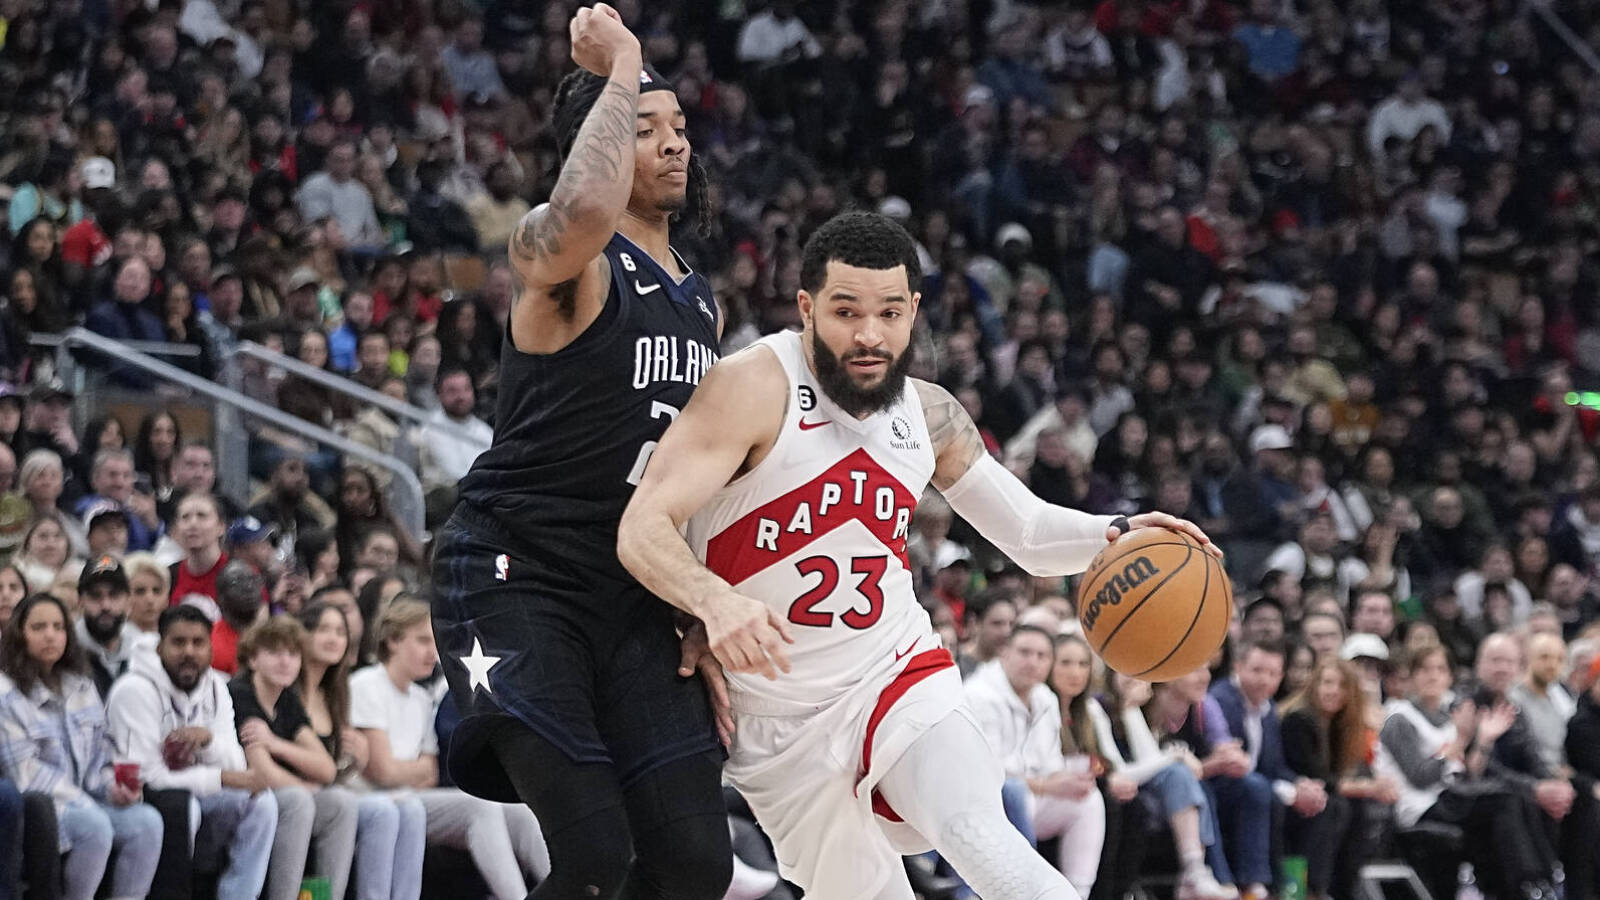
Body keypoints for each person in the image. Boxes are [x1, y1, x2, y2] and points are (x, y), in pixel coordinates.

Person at [616, 209, 1220, 896]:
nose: (869, 335)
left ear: (914, 312)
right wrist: (712, 602)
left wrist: (1115, 532)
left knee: (982, 838)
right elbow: (642, 527)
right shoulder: (754, 386)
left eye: (890, 313)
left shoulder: (928, 414)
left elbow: (1025, 533)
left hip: (895, 670)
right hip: (778, 724)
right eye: (846, 312)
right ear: (807, 307)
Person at [429, 7, 735, 897]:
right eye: (644, 129)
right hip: (518, 572)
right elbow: (584, 210)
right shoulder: (562, 255)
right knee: (595, 858)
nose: (675, 145)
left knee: (694, 866)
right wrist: (624, 63)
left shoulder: (699, 301)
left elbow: (691, 476)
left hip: (632, 588)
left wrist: (694, 604)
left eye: (679, 128)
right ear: (595, 146)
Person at [350, 600, 548, 900]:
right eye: (422, 640)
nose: (433, 651)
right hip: (373, 798)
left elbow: (429, 773)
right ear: (392, 641)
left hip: (413, 797)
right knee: (479, 806)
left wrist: (404, 770)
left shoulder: (419, 697)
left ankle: (578, 890)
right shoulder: (366, 684)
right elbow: (382, 771)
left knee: (520, 811)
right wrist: (407, 770)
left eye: (435, 640)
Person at [0, 593, 163, 900]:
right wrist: (85, 802)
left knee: (147, 823)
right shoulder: (5, 692)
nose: (50, 634)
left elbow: (101, 754)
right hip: (45, 810)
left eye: (58, 627)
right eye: (39, 627)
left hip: (87, 801)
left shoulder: (81, 684)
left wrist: (112, 788)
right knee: (95, 827)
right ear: (20, 635)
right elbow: (24, 774)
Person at [1374, 643, 1560, 899]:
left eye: (1440, 669)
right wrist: (1460, 742)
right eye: (1425, 669)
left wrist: (1483, 740)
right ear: (1412, 676)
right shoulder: (1399, 719)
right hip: (1420, 806)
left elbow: (1470, 774)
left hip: (1452, 799)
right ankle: (1533, 882)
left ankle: (1520, 885)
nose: (1433, 675)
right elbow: (1420, 777)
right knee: (1503, 801)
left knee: (1516, 800)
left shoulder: (1451, 714)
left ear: (1449, 677)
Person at [297, 600, 425, 900]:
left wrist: (356, 761)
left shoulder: (335, 691)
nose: (333, 639)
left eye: (340, 632)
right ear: (303, 635)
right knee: (379, 809)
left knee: (408, 808)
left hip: (328, 790)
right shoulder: (290, 686)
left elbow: (334, 770)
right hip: (299, 790)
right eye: (324, 630)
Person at [965, 624, 1105, 894]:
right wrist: (1047, 785)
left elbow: (1049, 764)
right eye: (1025, 652)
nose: (1033, 662)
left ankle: (1077, 893)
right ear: (1005, 653)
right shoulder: (978, 694)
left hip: (1031, 796)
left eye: (1042, 656)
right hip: (986, 803)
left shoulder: (1045, 697)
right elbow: (987, 774)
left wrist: (1068, 779)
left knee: (1089, 798)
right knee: (1015, 793)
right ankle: (1025, 892)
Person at [230, 616, 360, 900]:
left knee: (341, 803)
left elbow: (326, 768)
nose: (285, 662)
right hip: (240, 797)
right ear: (252, 659)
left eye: (292, 654)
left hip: (280, 797)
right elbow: (262, 773)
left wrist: (275, 743)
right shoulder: (240, 694)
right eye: (275, 653)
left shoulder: (286, 698)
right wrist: (304, 787)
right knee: (299, 801)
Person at [1089, 670, 1237, 900]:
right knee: (1178, 774)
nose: (1132, 677)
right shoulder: (1097, 705)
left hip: (1144, 787)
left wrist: (1131, 710)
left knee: (1191, 782)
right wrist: (1176, 756)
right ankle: (1194, 872)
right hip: (1114, 786)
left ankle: (1196, 872)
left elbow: (1151, 763)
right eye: (1123, 668)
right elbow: (1120, 771)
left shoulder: (1141, 707)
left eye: (1138, 670)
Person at [1205, 640, 1328, 900]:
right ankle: (1255, 882)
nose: (1265, 680)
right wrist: (1287, 792)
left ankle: (1306, 888)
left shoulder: (1269, 708)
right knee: (1260, 791)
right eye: (1257, 670)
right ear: (1238, 667)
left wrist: (1300, 784)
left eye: (1273, 674)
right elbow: (1233, 766)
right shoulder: (1221, 699)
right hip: (1221, 787)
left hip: (1257, 786)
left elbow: (1276, 767)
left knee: (1324, 803)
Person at [1280, 657, 1399, 900]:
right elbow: (1320, 778)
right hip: (1290, 795)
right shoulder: (1297, 720)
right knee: (1334, 806)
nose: (1333, 691)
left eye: (1342, 685)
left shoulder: (1338, 726)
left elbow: (1340, 775)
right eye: (1327, 683)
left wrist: (1373, 786)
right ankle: (1311, 890)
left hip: (1316, 799)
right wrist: (1370, 788)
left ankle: (1342, 890)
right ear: (1315, 685)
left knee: (1354, 808)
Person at [74, 556, 147, 699]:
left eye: (114, 595)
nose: (105, 605)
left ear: (128, 601)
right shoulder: (66, 652)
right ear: (80, 603)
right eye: (95, 596)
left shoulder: (142, 652)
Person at [211, 561, 267, 675]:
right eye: (236, 583)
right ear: (220, 597)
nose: (248, 588)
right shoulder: (213, 644)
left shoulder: (272, 638)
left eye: (251, 581)